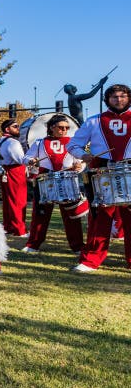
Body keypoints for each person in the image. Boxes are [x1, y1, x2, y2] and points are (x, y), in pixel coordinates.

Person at [67, 84, 131, 272]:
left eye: (123, 96)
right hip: (101, 172)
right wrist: (83, 155)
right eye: (114, 97)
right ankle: (91, 260)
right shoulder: (94, 121)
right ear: (107, 100)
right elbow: (73, 145)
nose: (118, 100)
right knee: (100, 217)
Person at [21, 114, 85, 253]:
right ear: (52, 128)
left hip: (67, 180)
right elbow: (25, 157)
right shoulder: (39, 142)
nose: (64, 130)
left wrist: (79, 166)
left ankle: (77, 246)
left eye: (67, 127)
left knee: (71, 215)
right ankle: (33, 244)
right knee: (40, 214)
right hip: (45, 180)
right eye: (61, 127)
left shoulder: (73, 142)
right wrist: (30, 161)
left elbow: (82, 161)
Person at [0, 119, 29, 238]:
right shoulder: (13, 142)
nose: (18, 128)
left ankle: (8, 227)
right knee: (18, 201)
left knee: (8, 202)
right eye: (15, 126)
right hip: (15, 172)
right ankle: (19, 230)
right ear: (7, 129)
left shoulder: (0, 140)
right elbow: (21, 159)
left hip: (5, 172)